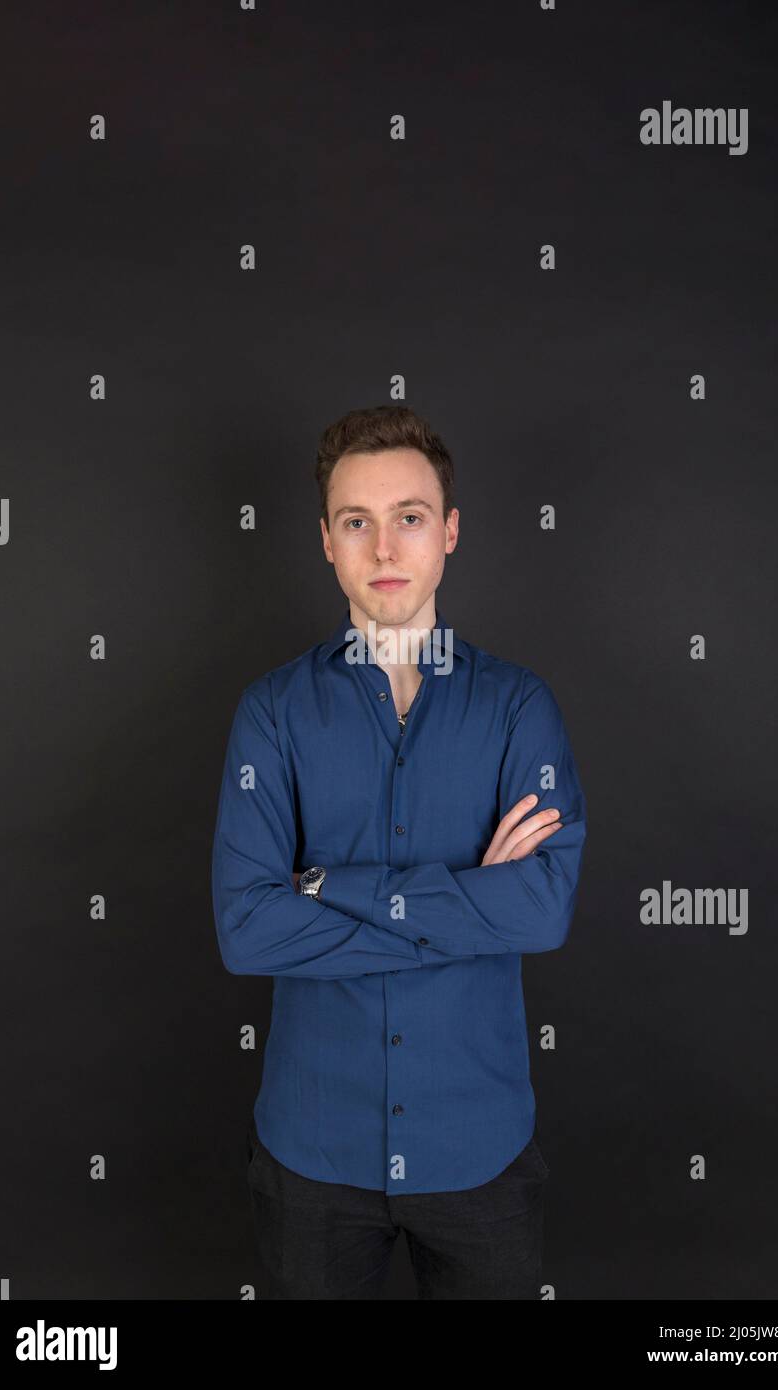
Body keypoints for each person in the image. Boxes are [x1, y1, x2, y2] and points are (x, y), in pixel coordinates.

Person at [211, 404, 588, 1299]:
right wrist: (467, 901)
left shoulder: (517, 708)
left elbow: (541, 911)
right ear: (327, 543)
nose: (385, 548)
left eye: (409, 518)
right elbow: (247, 930)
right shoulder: (271, 712)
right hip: (313, 1153)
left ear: (449, 532)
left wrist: (324, 886)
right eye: (358, 522)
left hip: (480, 1151)